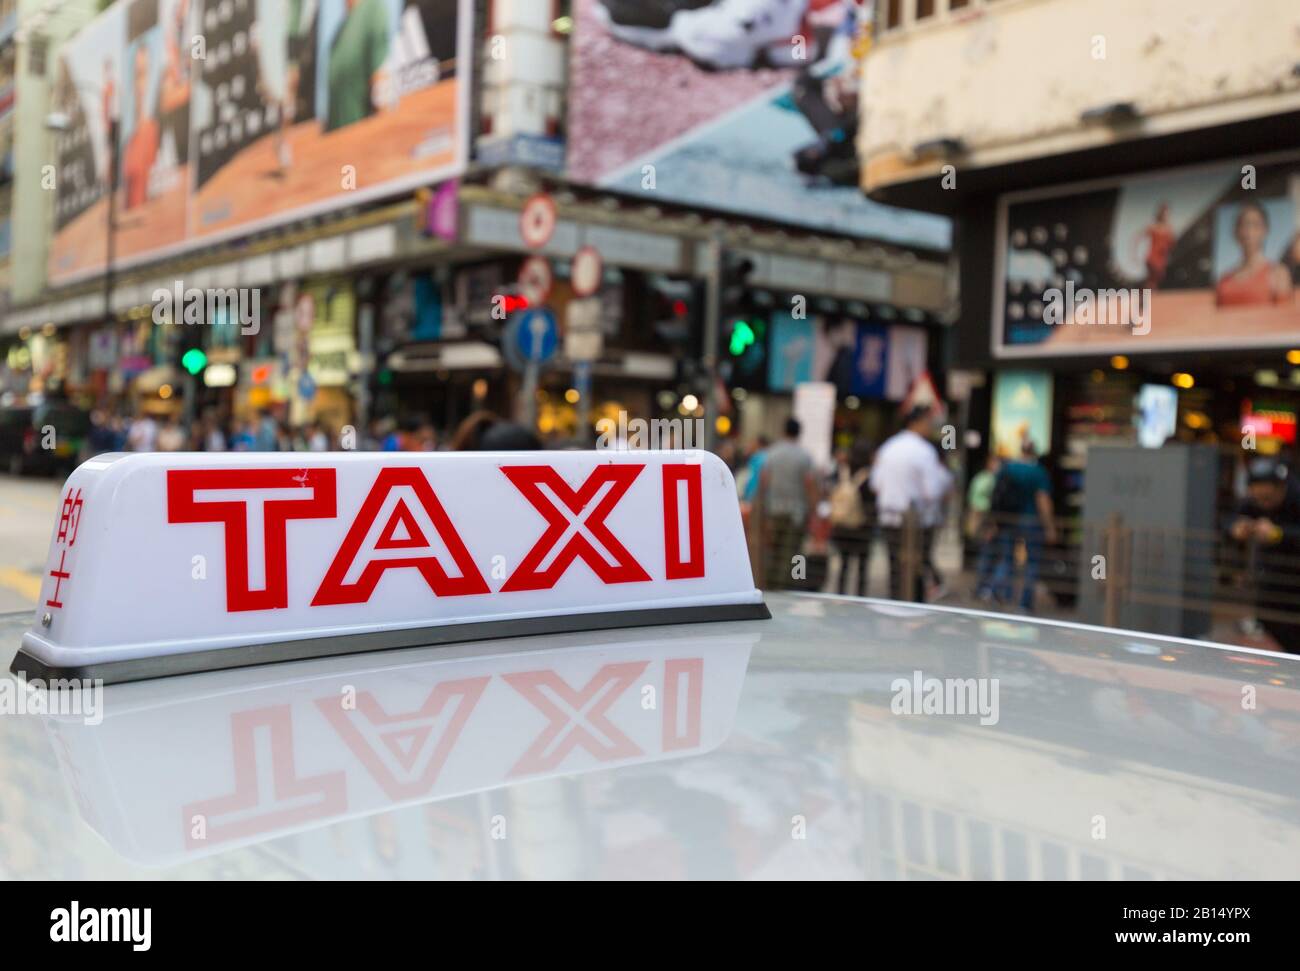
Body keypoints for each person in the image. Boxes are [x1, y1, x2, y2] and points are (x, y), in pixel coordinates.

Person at [870, 406, 952, 602]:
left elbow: (875, 484)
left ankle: (895, 605)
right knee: (915, 571)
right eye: (928, 422)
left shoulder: (888, 447)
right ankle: (911, 611)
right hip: (917, 522)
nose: (931, 426)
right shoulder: (924, 451)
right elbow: (931, 491)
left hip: (890, 518)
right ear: (918, 422)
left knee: (895, 570)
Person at [1227, 457, 1300, 654]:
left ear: (1281, 489)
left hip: (1295, 574)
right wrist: (1236, 527)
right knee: (1270, 617)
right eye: (1258, 498)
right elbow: (1232, 518)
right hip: (1274, 578)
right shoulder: (1253, 500)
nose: (1263, 504)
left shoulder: (1296, 497)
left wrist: (1279, 534)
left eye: (1267, 498)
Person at [981, 440, 1058, 612]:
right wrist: (1050, 527)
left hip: (1008, 520)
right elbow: (1043, 499)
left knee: (1007, 559)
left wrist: (993, 522)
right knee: (1031, 563)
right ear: (1034, 452)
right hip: (1031, 521)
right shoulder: (1038, 472)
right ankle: (1024, 603)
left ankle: (998, 591)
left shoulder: (1008, 468)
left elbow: (996, 496)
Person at [757, 418, 819, 591]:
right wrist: (814, 510)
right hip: (796, 513)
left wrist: (763, 508)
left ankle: (771, 587)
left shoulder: (772, 453)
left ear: (783, 430)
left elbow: (764, 481)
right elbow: (809, 484)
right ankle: (788, 588)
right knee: (793, 553)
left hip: (774, 511)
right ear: (799, 433)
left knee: (774, 551)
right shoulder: (804, 455)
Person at [1215, 201, 1293, 307]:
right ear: (1236, 231)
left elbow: (1285, 318)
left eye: (1255, 225)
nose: (1249, 231)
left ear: (1265, 230)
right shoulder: (1224, 281)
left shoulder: (1278, 274)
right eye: (1243, 225)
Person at [828, 441, 874, 598]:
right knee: (862, 566)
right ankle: (860, 597)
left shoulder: (842, 471)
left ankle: (841, 595)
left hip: (842, 525)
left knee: (844, 564)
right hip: (862, 525)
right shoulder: (869, 475)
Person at [965, 454, 1001, 595]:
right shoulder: (987, 479)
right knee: (987, 554)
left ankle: (984, 587)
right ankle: (984, 587)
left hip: (984, 519)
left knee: (988, 554)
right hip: (985, 520)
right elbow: (978, 504)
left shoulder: (982, 478)